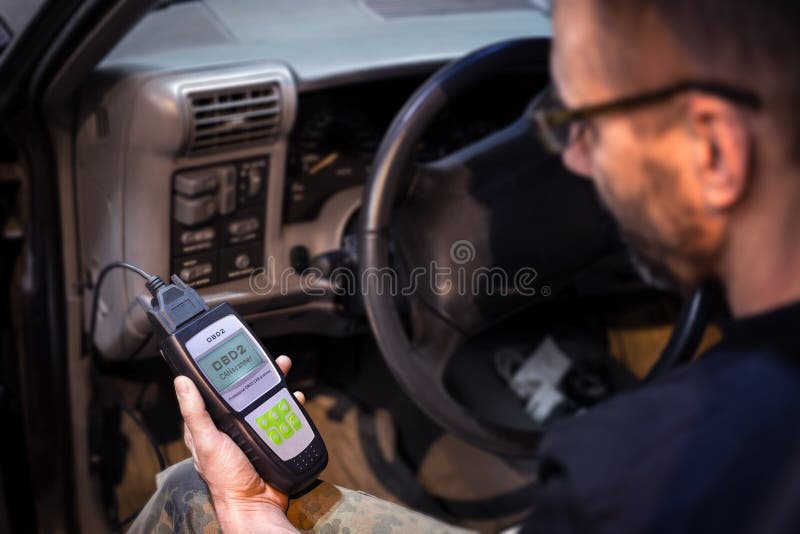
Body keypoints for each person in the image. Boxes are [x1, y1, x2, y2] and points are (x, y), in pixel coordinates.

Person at [130, 0, 800, 532]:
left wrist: (248, 508)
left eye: (584, 124)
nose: (571, 162)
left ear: (713, 152)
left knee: (192, 492)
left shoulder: (628, 478)